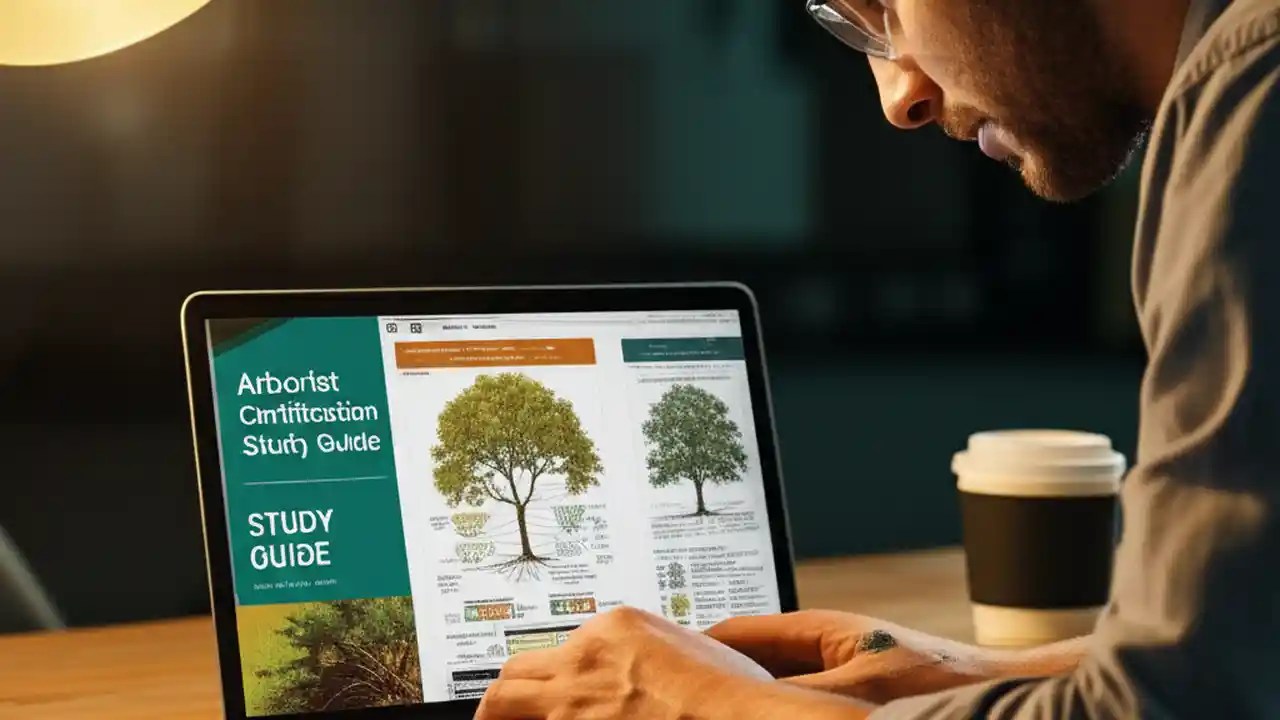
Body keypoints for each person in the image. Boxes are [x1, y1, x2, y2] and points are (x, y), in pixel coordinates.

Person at [475, 0, 1280, 716]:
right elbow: (1239, 656)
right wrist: (953, 675)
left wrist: (704, 704)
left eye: (884, 10)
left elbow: (1171, 705)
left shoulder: (1255, 83)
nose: (899, 99)